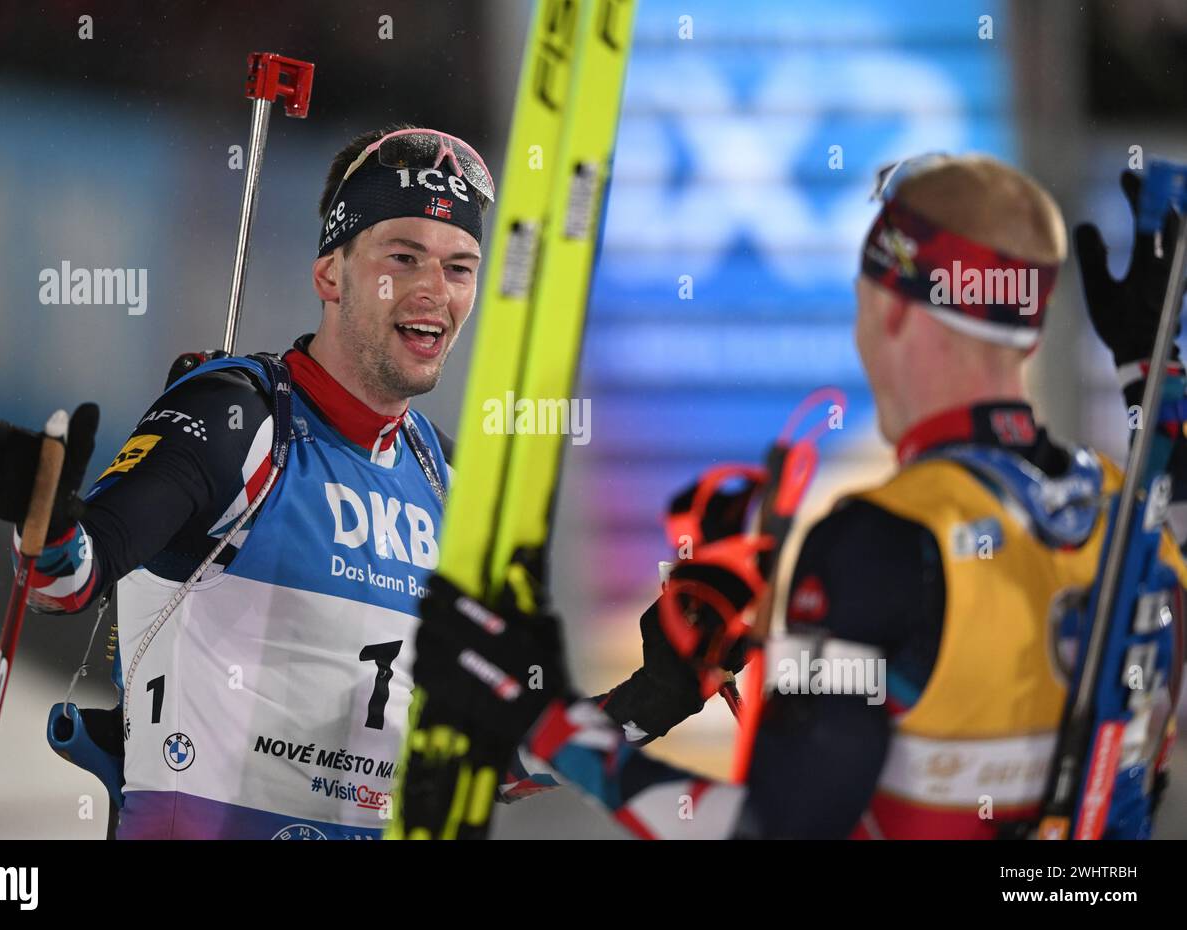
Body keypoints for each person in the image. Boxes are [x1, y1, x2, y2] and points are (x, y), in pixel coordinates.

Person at [412, 154, 1187, 839]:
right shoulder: (1133, 516)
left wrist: (546, 718)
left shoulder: (883, 542)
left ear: (887, 308)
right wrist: (1151, 381)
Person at [0, 126, 495, 839]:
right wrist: (49, 526)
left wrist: (653, 697)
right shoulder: (240, 418)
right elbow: (71, 580)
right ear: (330, 274)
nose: (435, 290)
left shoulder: (447, 479)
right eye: (403, 257)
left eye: (459, 268)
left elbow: (497, 748)